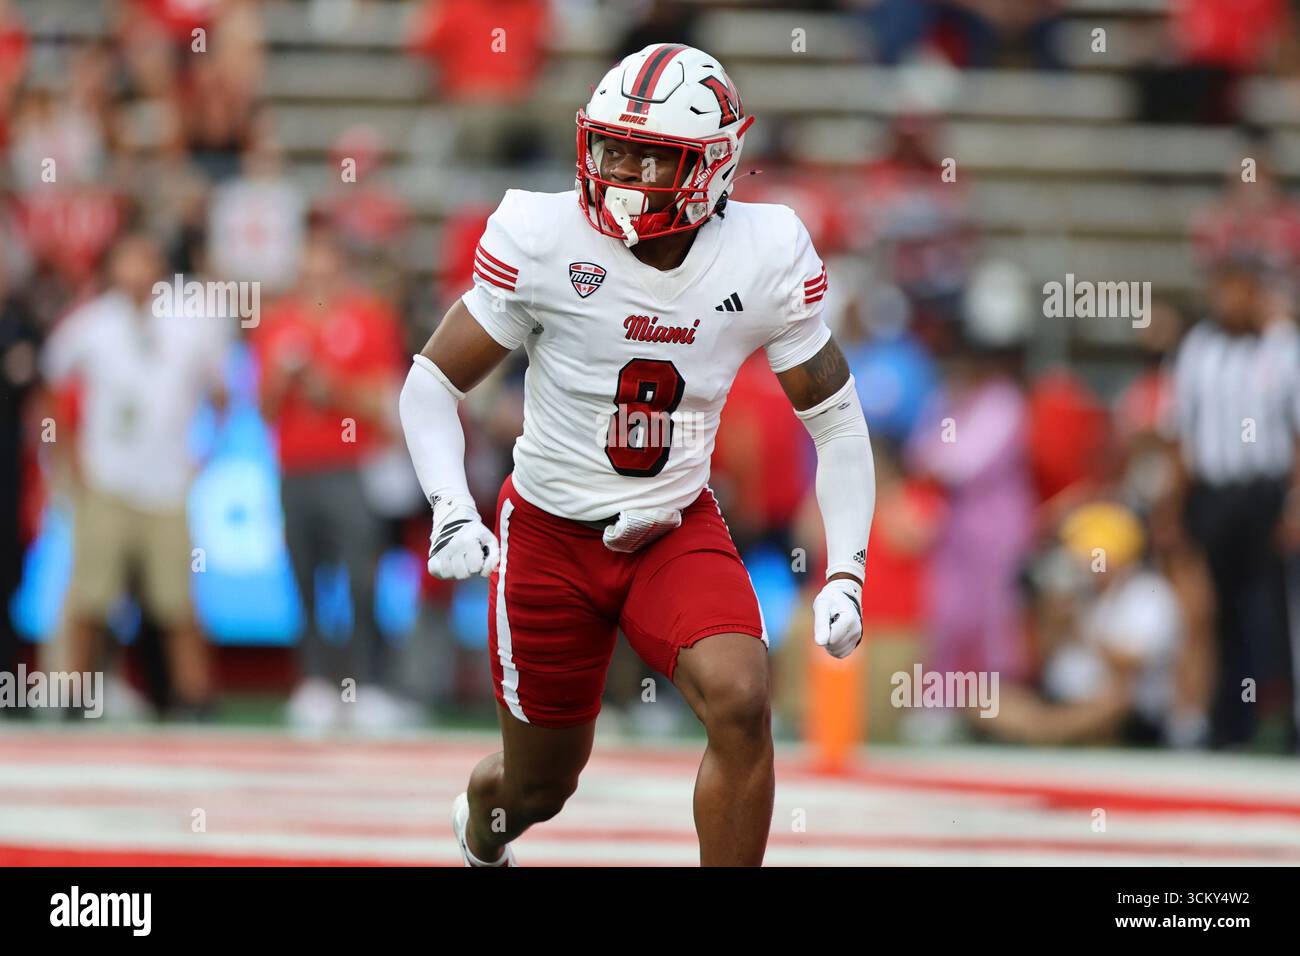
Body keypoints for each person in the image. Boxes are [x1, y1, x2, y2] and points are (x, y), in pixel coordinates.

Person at [399, 45, 876, 867]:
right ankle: (485, 823)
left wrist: (848, 569)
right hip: (549, 532)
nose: (622, 170)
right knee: (539, 788)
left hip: (671, 525)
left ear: (715, 167)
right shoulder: (543, 236)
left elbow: (834, 422)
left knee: (740, 698)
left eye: (651, 154)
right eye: (612, 146)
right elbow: (431, 383)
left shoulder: (765, 253)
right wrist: (451, 506)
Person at [41, 231, 227, 714]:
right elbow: (52, 390)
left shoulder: (193, 322)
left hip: (166, 482)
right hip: (107, 478)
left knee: (176, 600)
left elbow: (222, 391)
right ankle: (72, 694)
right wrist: (66, 457)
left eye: (143, 261)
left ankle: (194, 695)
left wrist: (207, 452)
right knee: (90, 595)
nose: (135, 273)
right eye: (126, 262)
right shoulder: (90, 324)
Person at [1162, 253, 1300, 752]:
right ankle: (1223, 719)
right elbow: (1179, 432)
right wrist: (1172, 508)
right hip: (1214, 495)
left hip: (1263, 493)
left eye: (1240, 288)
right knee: (1212, 610)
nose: (1231, 300)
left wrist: (1294, 503)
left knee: (1269, 609)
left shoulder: (1282, 348)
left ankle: (1276, 718)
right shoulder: (1198, 348)